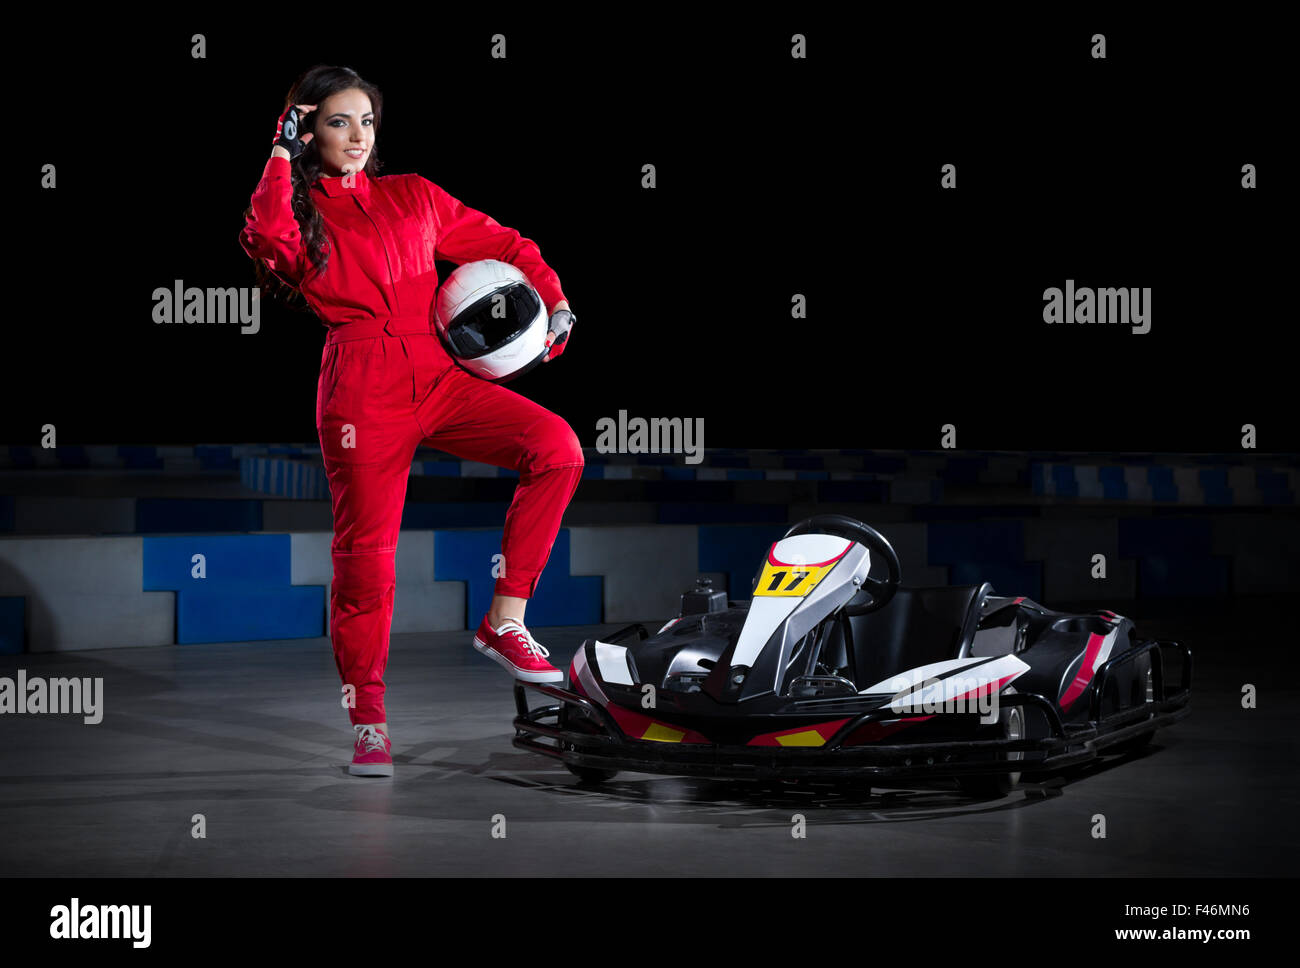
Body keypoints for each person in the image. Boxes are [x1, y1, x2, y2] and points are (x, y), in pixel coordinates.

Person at [239, 65, 583, 777]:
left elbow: (508, 245)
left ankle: (505, 621)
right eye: (338, 121)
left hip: (443, 373)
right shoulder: (302, 213)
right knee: (368, 559)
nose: (358, 136)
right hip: (361, 388)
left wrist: (554, 302)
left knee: (557, 447)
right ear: (307, 131)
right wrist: (278, 154)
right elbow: (266, 238)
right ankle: (368, 719)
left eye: (366, 120)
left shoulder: (413, 196)